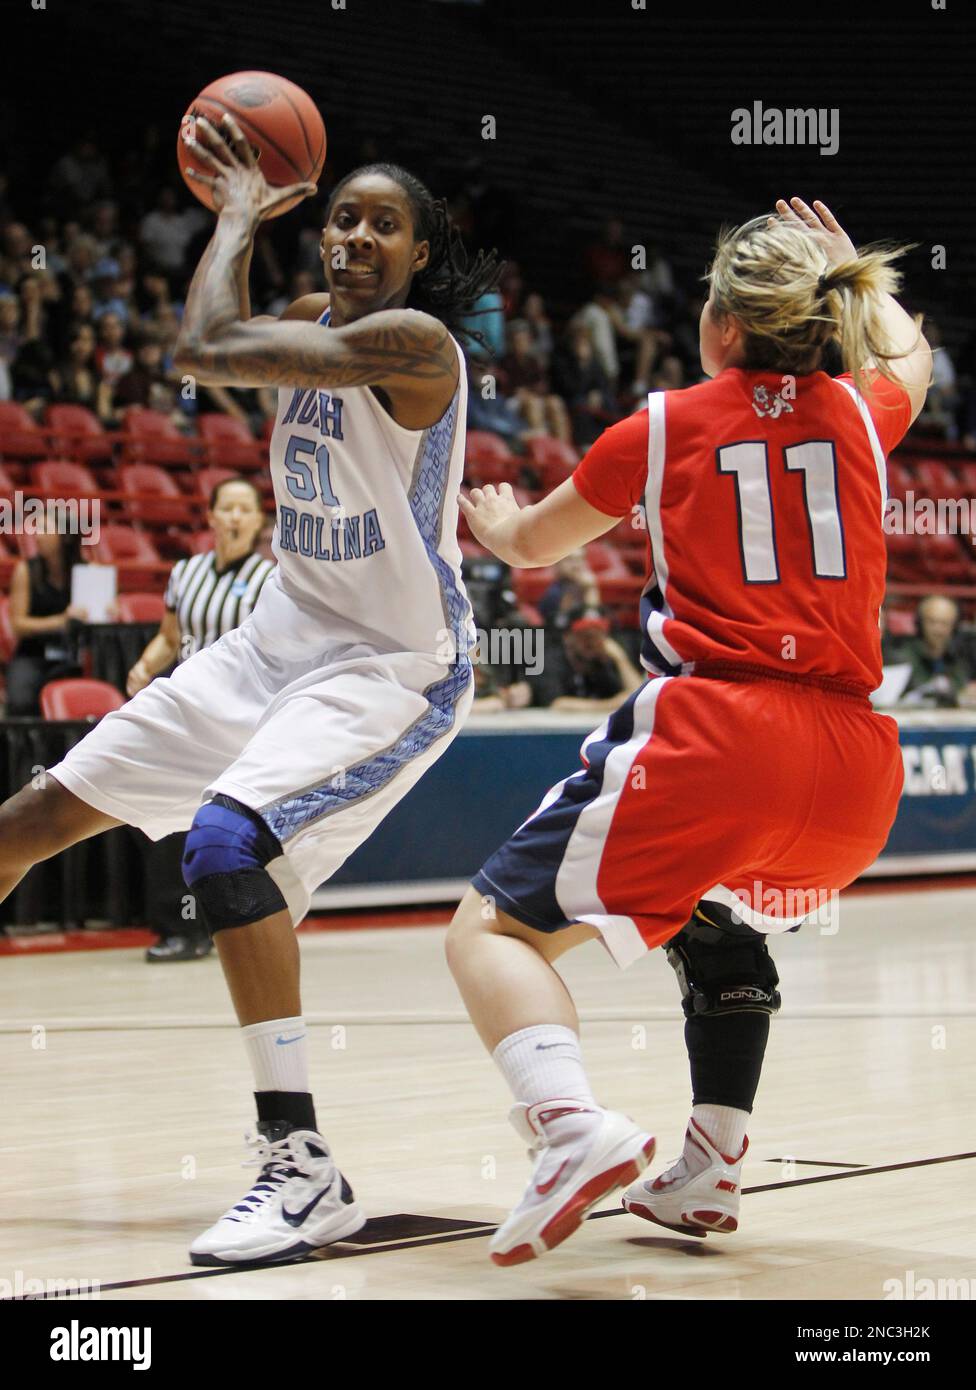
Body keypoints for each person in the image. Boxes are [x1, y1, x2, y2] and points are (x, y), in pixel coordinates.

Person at [0, 113, 501, 1268]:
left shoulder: (417, 343)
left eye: (384, 224)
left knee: (223, 847)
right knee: (29, 820)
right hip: (275, 640)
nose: (355, 238)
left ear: (420, 254)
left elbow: (203, 347)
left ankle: (300, 1166)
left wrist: (234, 214)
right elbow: (220, 344)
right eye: (340, 218)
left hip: (390, 663)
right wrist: (243, 228)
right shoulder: (302, 328)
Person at [447, 197, 931, 1265]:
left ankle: (567, 1129)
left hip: (723, 732)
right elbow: (916, 358)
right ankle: (709, 1166)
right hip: (854, 773)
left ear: (716, 325)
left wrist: (491, 522)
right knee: (716, 925)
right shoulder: (859, 413)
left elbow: (534, 542)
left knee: (488, 931)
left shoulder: (659, 424)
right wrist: (861, 271)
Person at [126, 477, 275, 962]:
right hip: (187, 704)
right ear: (209, 516)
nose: (234, 517)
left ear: (258, 521)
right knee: (167, 811)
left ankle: (224, 925)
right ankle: (176, 928)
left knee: (220, 818)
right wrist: (145, 667)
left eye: (244, 509)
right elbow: (171, 637)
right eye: (226, 508)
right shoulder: (185, 572)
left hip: (240, 713)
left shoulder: (269, 579)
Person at [5, 528, 87, 715]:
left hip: (73, 654)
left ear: (65, 536)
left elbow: (97, 619)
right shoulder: (26, 571)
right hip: (33, 653)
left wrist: (107, 610)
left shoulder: (86, 570)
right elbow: (18, 625)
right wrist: (61, 621)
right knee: (21, 701)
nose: (38, 536)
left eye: (45, 529)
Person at [892, 594, 972, 707]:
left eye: (945, 623)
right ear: (919, 623)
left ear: (955, 626)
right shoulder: (901, 653)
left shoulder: (962, 654)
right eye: (932, 622)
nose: (938, 629)